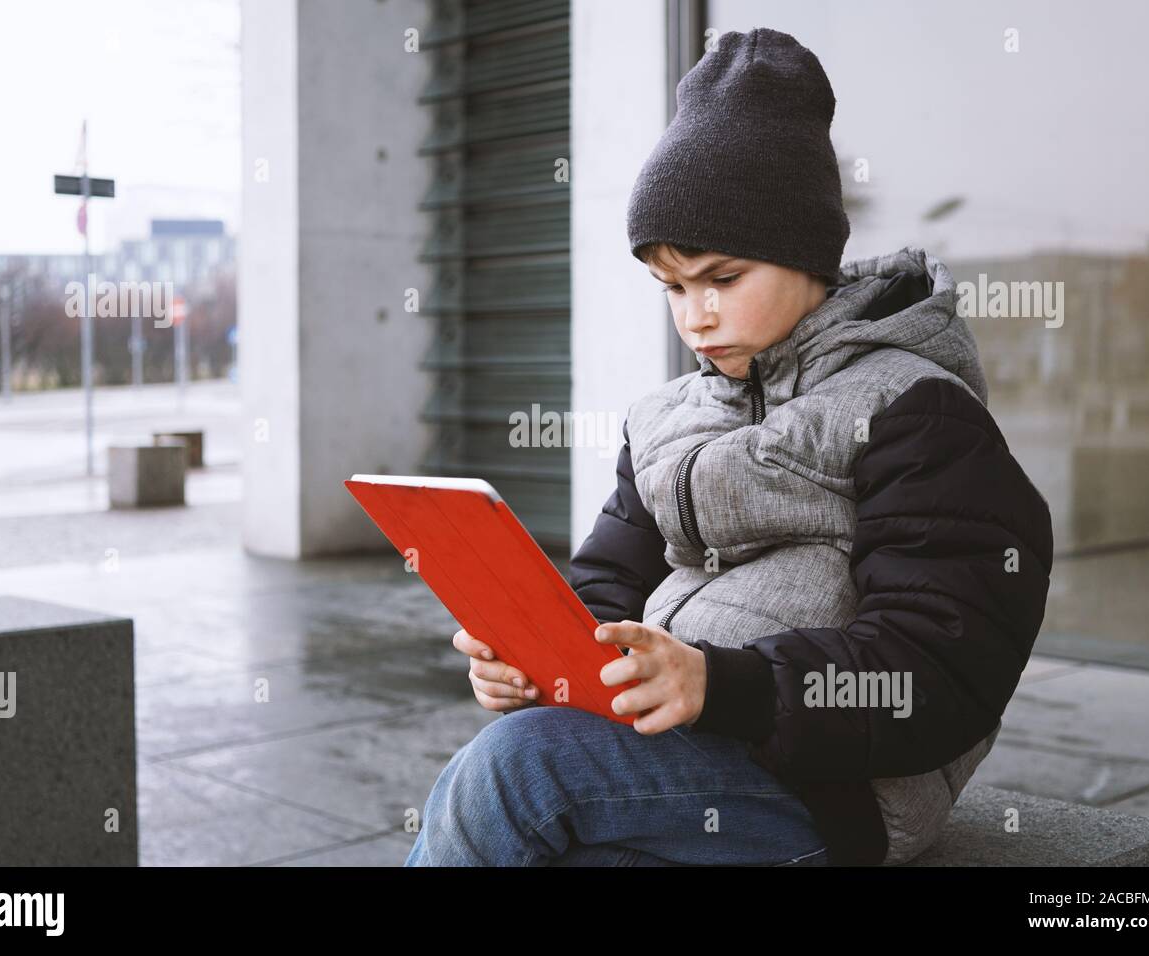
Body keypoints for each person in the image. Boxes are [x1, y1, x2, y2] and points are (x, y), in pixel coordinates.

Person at [404, 27, 1052, 867]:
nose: (694, 315)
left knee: (516, 770)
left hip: (833, 789)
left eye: (722, 279)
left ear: (807, 257)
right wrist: (539, 667)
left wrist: (721, 684)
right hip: (672, 752)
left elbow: (940, 666)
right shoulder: (665, 420)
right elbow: (604, 588)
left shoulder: (913, 408)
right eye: (671, 286)